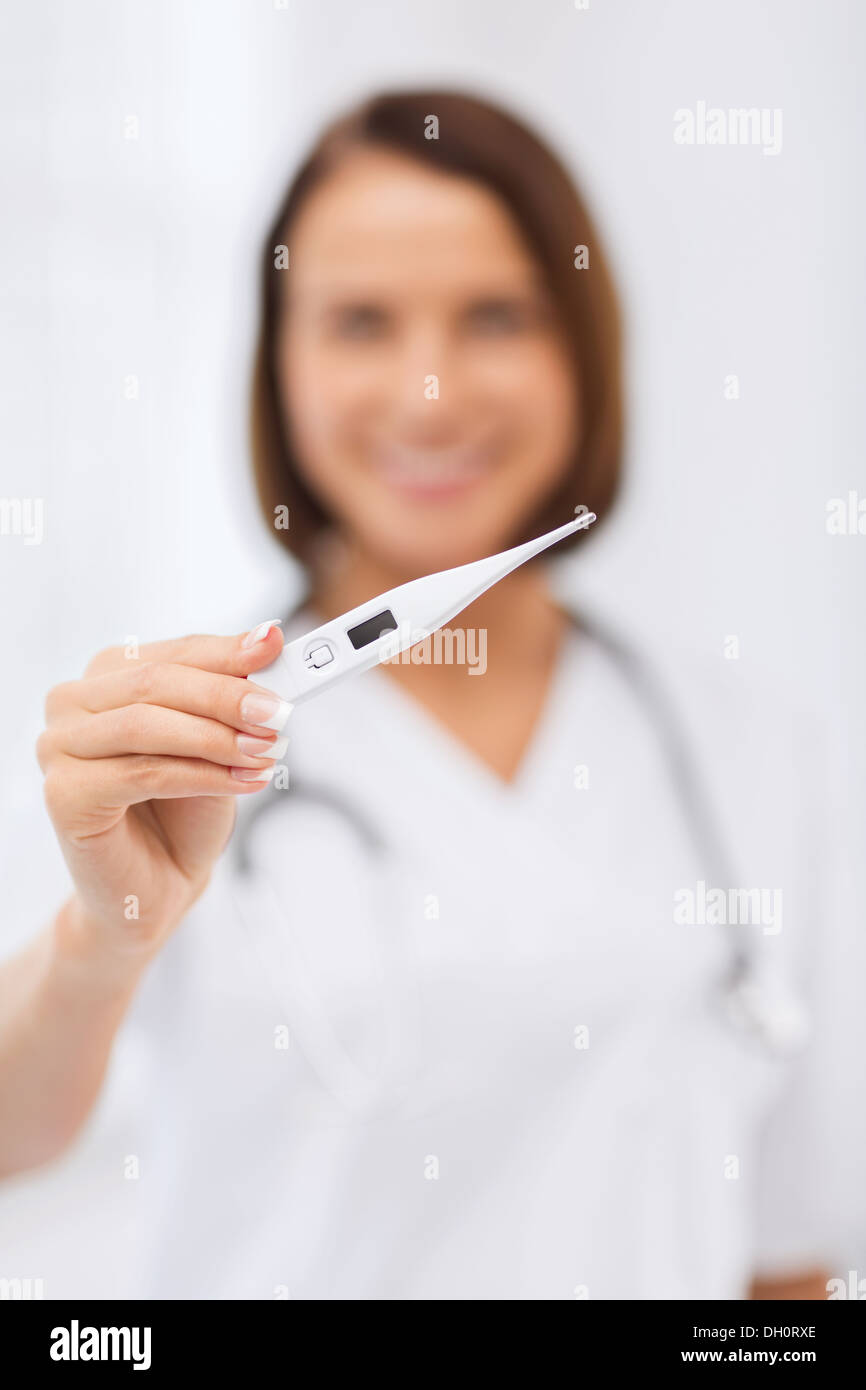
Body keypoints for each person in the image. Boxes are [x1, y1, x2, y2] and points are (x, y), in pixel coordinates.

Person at [0, 90, 840, 1298]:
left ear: (582, 349)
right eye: (359, 322)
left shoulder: (753, 751)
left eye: (495, 315)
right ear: (277, 362)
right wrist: (103, 937)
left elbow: (785, 1257)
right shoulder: (141, 745)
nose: (430, 391)